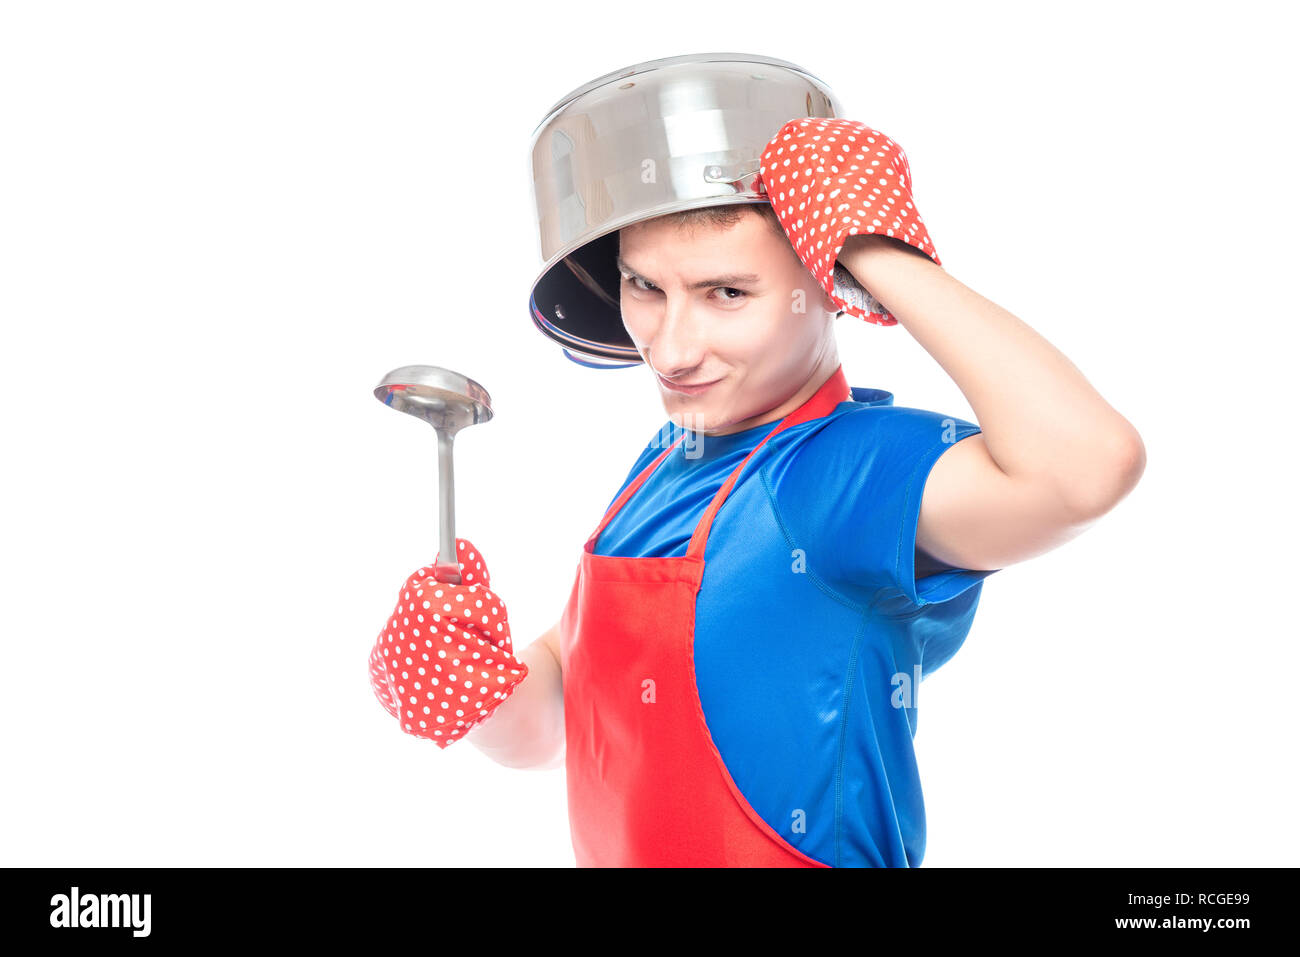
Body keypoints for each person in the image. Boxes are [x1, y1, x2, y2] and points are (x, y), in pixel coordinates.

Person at [370, 127, 1147, 867]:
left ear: (826, 283)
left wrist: (873, 250)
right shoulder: (669, 458)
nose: (670, 349)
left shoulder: (846, 474)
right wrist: (474, 688)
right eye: (644, 286)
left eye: (727, 292)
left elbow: (1087, 466)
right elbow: (566, 715)